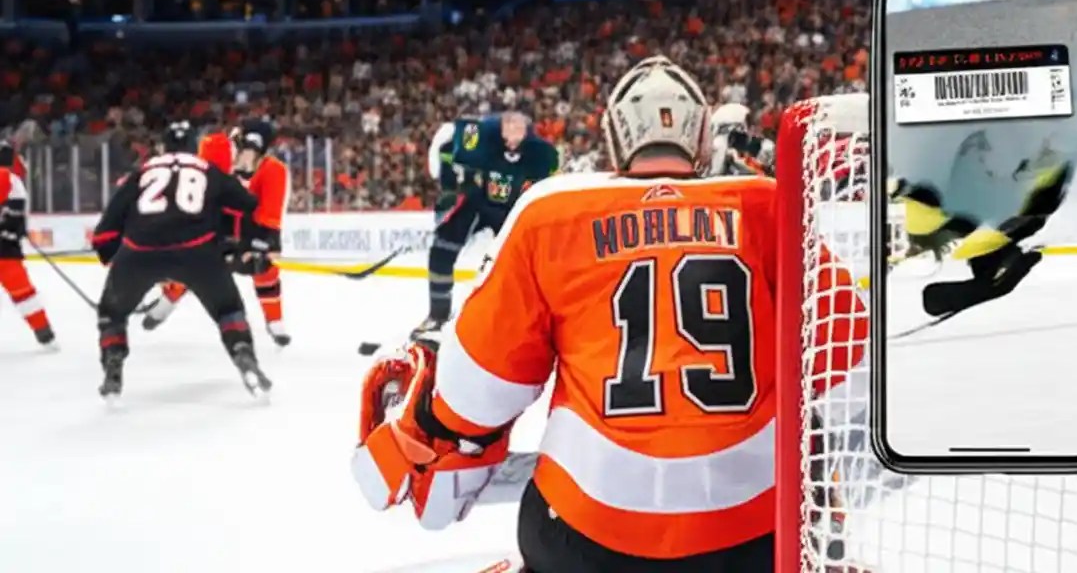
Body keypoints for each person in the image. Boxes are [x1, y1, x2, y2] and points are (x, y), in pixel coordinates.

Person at [351, 57, 864, 572]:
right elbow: (840, 341)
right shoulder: (765, 202)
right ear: (702, 133)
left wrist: (429, 427)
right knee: (808, 438)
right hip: (754, 538)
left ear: (616, 136)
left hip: (587, 537)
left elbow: (480, 389)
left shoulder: (552, 209)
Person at [91, 121, 272, 399]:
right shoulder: (206, 170)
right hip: (197, 252)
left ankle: (113, 365)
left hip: (141, 252)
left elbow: (110, 222)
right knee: (228, 310)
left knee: (112, 313)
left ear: (163, 147)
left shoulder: (142, 172)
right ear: (193, 147)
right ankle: (243, 355)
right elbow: (246, 203)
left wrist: (109, 254)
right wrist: (241, 244)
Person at [141, 121, 291, 348]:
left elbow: (269, 217)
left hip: (246, 236)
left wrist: (261, 246)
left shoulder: (273, 171)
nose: (242, 154)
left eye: (250, 150)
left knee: (265, 268)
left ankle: (274, 320)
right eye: (240, 147)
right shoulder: (217, 152)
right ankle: (169, 299)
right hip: (212, 229)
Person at [417, 110, 558, 334]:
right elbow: (445, 142)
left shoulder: (540, 152)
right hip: (476, 198)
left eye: (518, 127)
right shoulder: (480, 133)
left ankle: (533, 318)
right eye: (508, 126)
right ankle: (437, 315)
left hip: (510, 206)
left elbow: (547, 184)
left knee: (527, 263)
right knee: (443, 247)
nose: (512, 134)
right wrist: (449, 186)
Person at [0, 153, 54, 349]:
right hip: (6, 251)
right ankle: (44, 334)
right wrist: (15, 229)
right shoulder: (11, 179)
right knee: (24, 294)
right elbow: (15, 214)